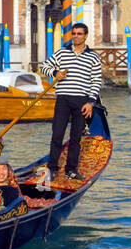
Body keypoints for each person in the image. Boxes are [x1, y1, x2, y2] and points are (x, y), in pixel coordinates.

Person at [40, 21, 102, 180]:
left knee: (76, 137)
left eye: (79, 34)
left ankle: (71, 170)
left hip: (82, 101)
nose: (76, 36)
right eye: (74, 34)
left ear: (85, 36)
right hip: (63, 99)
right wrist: (55, 72)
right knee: (57, 135)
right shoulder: (62, 53)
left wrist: (91, 102)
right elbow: (44, 66)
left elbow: (96, 81)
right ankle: (52, 168)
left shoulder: (93, 57)